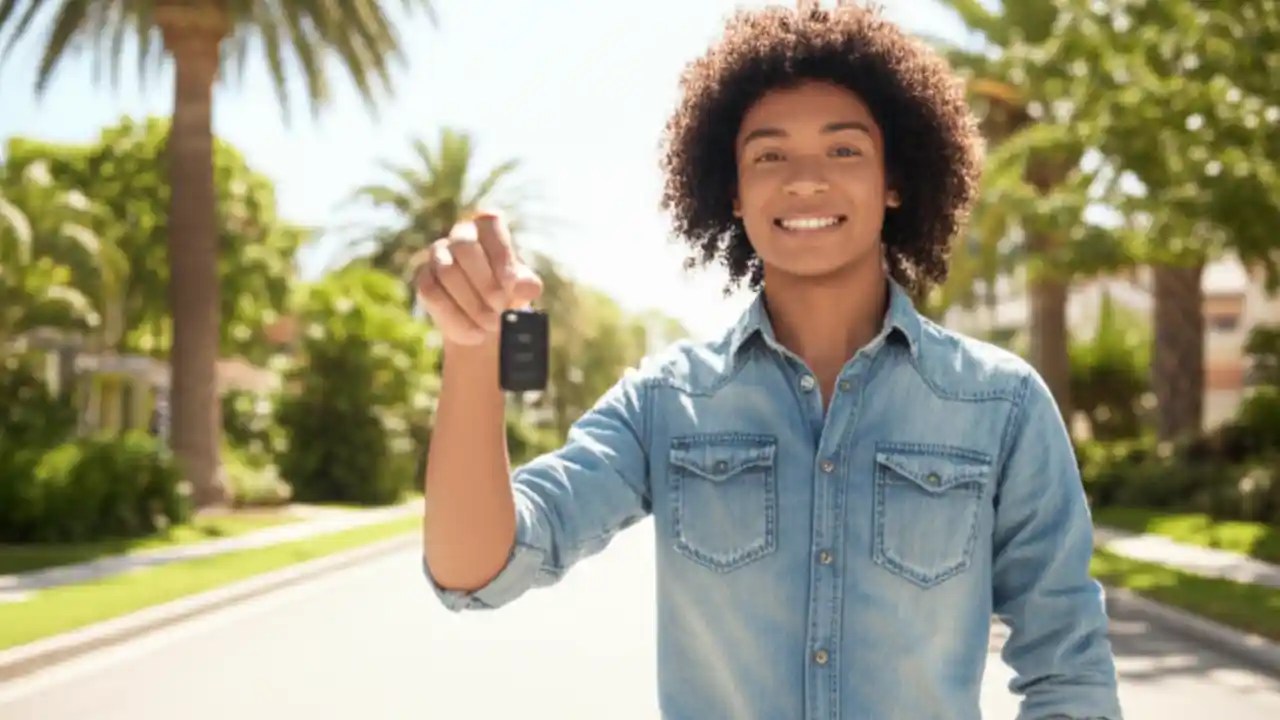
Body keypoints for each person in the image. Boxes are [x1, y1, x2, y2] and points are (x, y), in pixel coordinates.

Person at [417, 5, 1123, 719]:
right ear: (733, 191)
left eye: (844, 150)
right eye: (768, 154)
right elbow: (479, 568)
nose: (805, 178)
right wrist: (471, 347)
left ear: (894, 181)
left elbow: (1069, 670)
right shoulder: (665, 402)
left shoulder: (1001, 406)